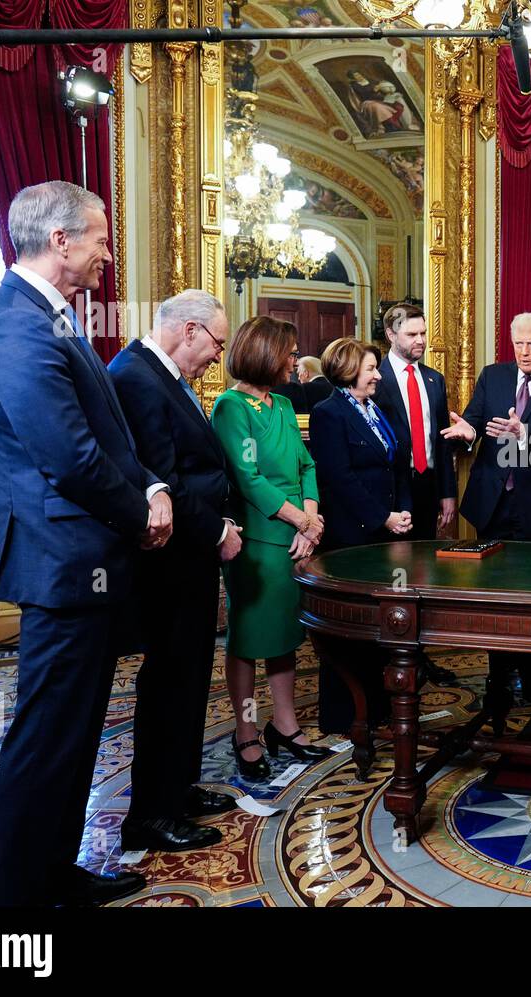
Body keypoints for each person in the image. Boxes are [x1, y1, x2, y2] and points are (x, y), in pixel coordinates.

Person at [0, 180, 167, 905]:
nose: (107, 256)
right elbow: (70, 457)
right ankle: (16, 892)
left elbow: (106, 439)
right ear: (60, 241)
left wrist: (149, 484)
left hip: (82, 558)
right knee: (48, 730)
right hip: (62, 560)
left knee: (74, 729)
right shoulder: (14, 324)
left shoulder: (49, 317)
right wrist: (143, 511)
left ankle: (51, 868)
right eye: (101, 240)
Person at [108, 289, 241, 853]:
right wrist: (217, 530)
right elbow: (165, 478)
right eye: (215, 342)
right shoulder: (137, 376)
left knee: (189, 679)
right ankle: (151, 814)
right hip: (169, 560)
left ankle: (178, 788)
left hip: (190, 557)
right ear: (188, 330)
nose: (217, 355)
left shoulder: (164, 376)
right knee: (169, 682)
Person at [440, 312, 531, 703]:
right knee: (495, 598)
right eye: (518, 343)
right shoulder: (493, 376)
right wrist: (467, 434)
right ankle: (498, 679)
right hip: (494, 506)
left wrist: (525, 432)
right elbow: (472, 420)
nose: (524, 351)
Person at [212, 316, 326, 782]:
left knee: (285, 637)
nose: (294, 360)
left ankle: (285, 725)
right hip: (256, 544)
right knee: (247, 640)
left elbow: (306, 465)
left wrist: (311, 521)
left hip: (297, 540)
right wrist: (301, 518)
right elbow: (248, 479)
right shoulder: (230, 407)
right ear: (265, 353)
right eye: (289, 352)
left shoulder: (281, 403)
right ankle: (246, 732)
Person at [308, 338, 413, 731]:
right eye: (371, 368)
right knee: (349, 628)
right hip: (352, 537)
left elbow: (397, 465)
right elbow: (338, 478)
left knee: (378, 627)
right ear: (350, 370)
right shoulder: (328, 413)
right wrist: (381, 517)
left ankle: (378, 707)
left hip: (385, 534)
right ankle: (344, 715)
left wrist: (402, 512)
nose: (377, 375)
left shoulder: (377, 409)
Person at [374, 303, 458, 541]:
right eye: (411, 335)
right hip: (392, 488)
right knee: (395, 564)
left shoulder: (435, 380)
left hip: (428, 486)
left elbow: (442, 441)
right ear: (391, 335)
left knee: (425, 562)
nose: (420, 340)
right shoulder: (375, 380)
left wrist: (447, 493)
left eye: (423, 333)